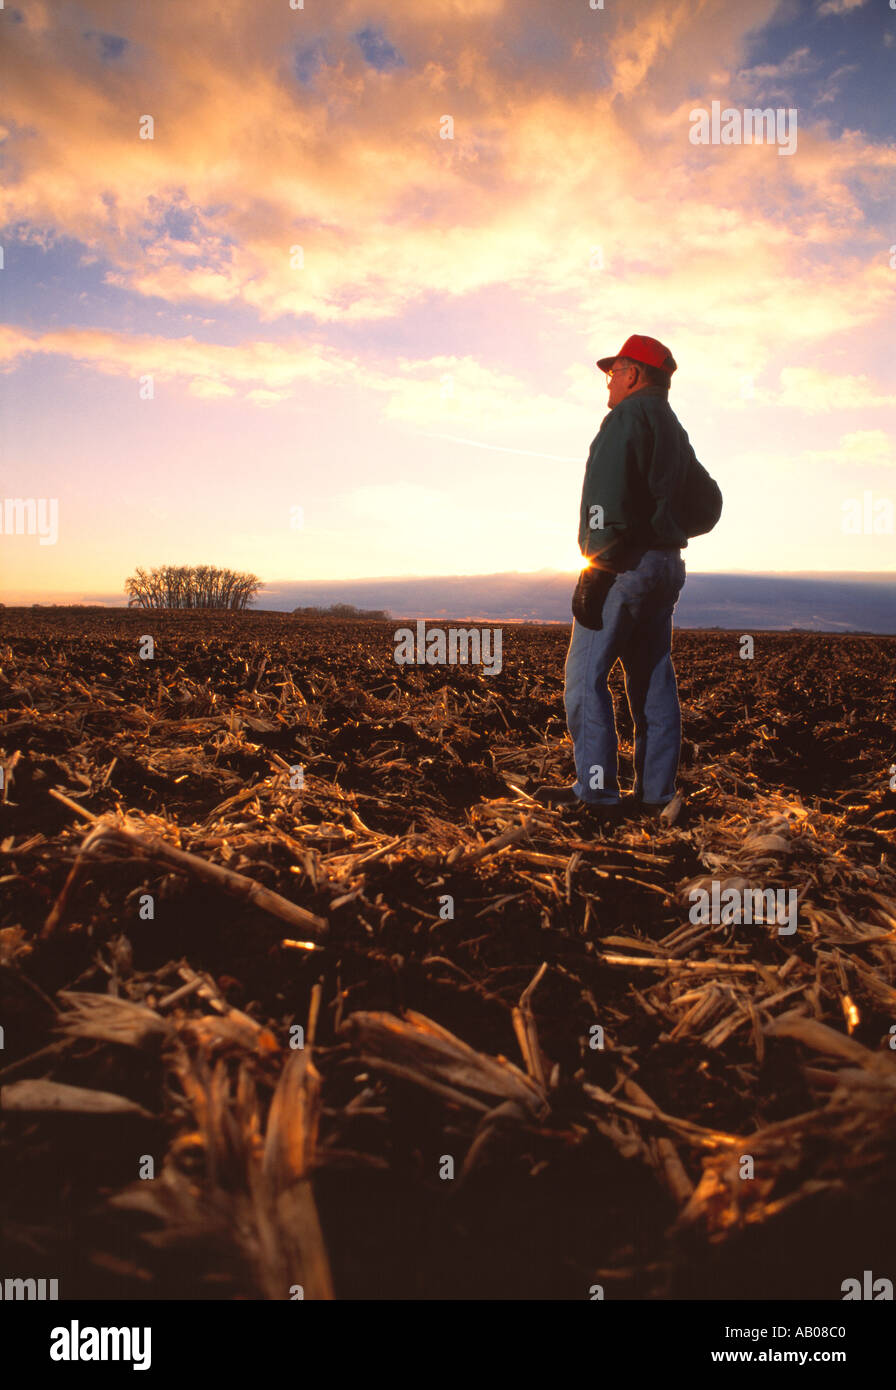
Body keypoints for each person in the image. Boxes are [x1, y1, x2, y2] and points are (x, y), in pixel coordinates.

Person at [534, 334, 708, 827]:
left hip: (624, 567)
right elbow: (709, 503)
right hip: (666, 566)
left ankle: (596, 796)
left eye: (613, 373)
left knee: (585, 680)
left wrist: (598, 567)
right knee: (652, 680)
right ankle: (655, 797)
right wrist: (665, 526)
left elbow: (602, 499)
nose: (608, 382)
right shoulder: (673, 427)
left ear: (632, 374)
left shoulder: (625, 418)